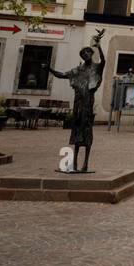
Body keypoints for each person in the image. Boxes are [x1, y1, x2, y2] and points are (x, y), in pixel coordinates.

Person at [49, 30, 106, 173]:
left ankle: (85, 163)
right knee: (76, 131)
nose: (86, 55)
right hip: (78, 103)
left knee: (87, 131)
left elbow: (103, 61)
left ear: (91, 54)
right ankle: (73, 164)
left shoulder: (96, 68)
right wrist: (49, 69)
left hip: (88, 103)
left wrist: (98, 46)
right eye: (83, 54)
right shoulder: (78, 70)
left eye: (88, 53)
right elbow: (62, 75)